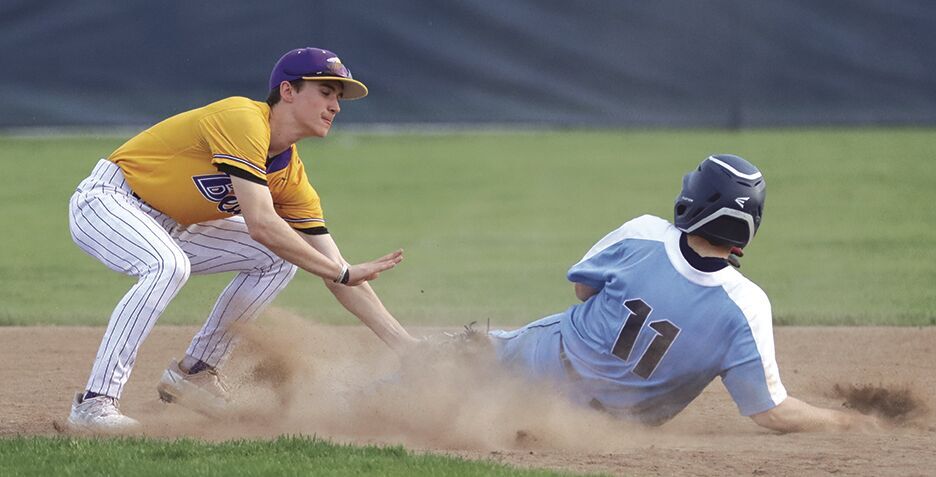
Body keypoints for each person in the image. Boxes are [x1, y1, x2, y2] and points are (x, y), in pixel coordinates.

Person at [66, 47, 418, 432]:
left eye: (338, 97)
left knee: (280, 258)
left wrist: (406, 346)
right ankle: (95, 403)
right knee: (168, 265)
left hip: (172, 225)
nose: (335, 106)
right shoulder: (242, 119)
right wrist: (343, 272)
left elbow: (338, 273)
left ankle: (196, 371)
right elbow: (263, 225)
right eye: (326, 91)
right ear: (287, 91)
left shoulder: (290, 176)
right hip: (108, 200)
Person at [488, 154, 878, 432]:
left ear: (697, 201)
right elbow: (771, 412)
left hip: (540, 362)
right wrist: (845, 419)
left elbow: (581, 289)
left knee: (471, 352)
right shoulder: (746, 305)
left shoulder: (645, 233)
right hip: (606, 427)